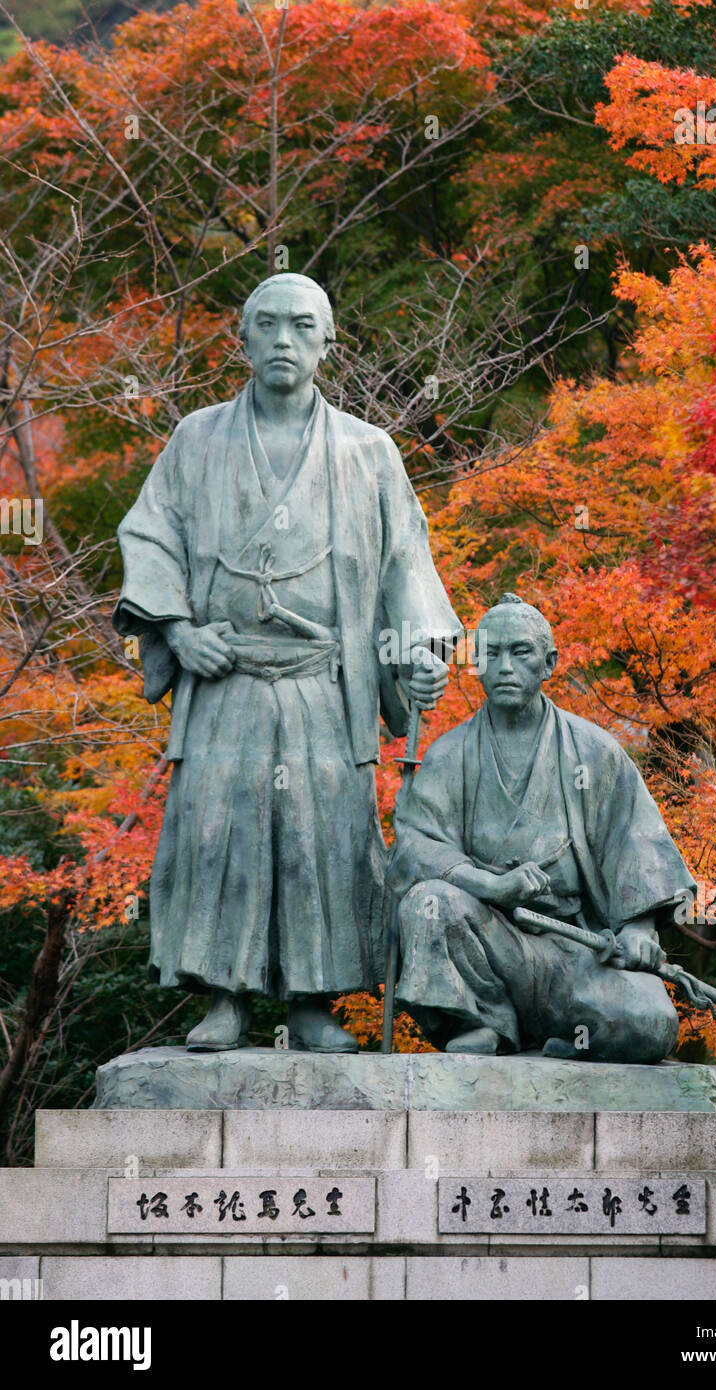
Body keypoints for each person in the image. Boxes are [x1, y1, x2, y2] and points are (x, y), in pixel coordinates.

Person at [113, 272, 461, 1051]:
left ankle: (314, 1002)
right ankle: (223, 998)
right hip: (225, 677)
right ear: (240, 341)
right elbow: (149, 538)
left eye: (303, 327)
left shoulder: (368, 452)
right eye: (266, 326)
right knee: (217, 833)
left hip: (321, 684)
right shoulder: (195, 439)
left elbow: (407, 565)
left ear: (327, 344)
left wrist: (414, 662)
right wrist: (176, 630)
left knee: (324, 838)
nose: (282, 341)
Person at [388, 594, 696, 1062]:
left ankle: (554, 1040)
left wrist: (638, 931)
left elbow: (634, 843)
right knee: (429, 903)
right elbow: (413, 851)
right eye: (491, 653)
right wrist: (493, 885)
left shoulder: (594, 752)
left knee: (651, 1023)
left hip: (575, 951)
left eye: (521, 652)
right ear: (476, 664)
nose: (505, 667)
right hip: (488, 942)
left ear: (549, 663)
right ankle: (482, 1019)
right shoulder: (450, 754)